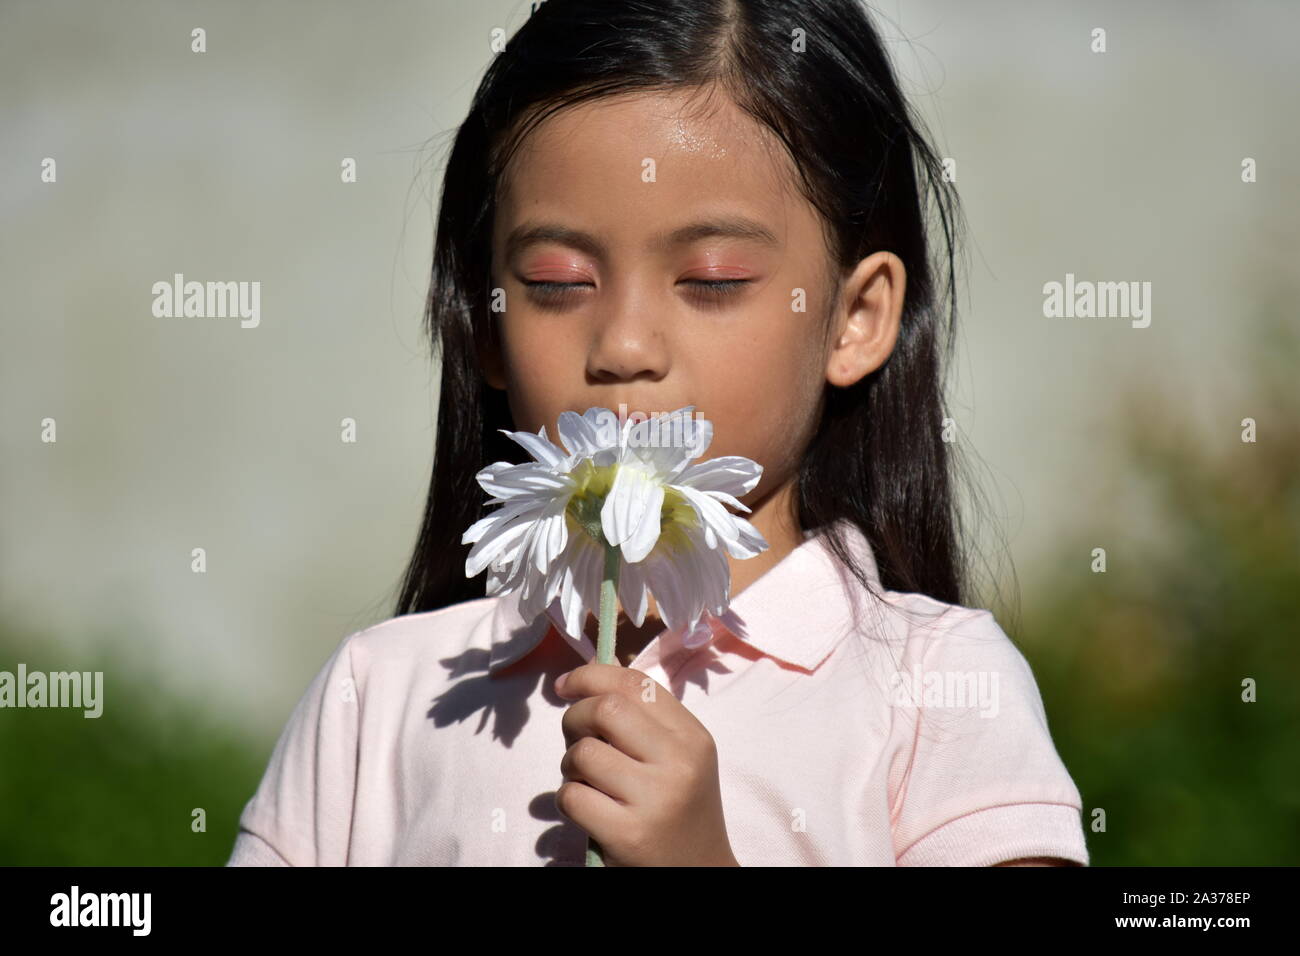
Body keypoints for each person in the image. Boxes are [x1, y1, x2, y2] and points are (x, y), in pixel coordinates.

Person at [227, 0, 1088, 866]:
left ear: (855, 318)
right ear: (486, 327)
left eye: (712, 280)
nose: (624, 345)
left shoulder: (938, 693)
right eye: (558, 281)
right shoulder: (380, 697)